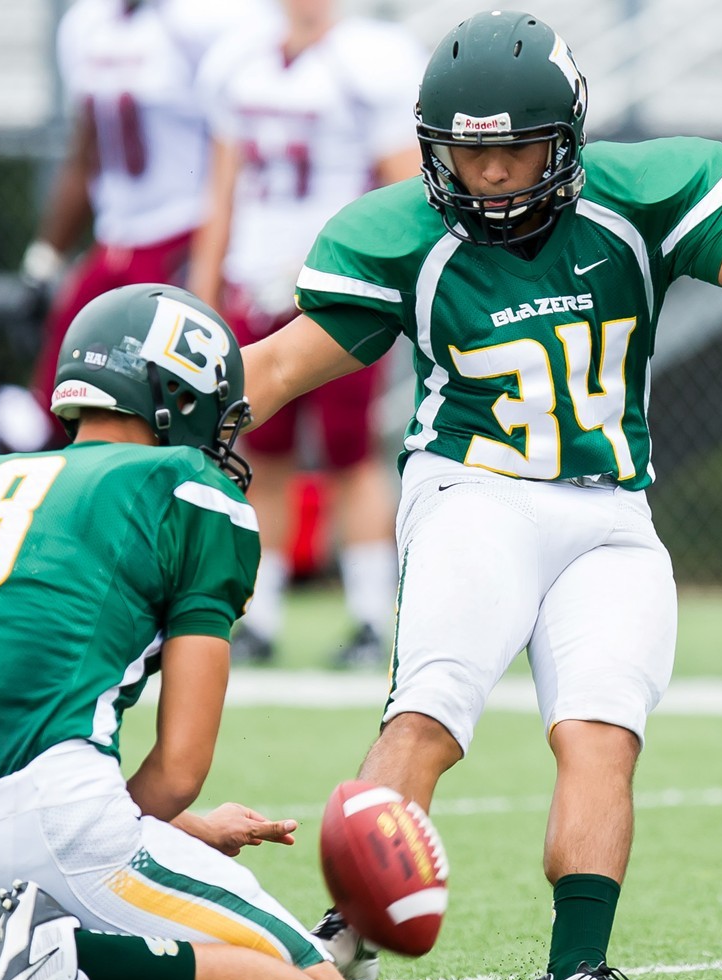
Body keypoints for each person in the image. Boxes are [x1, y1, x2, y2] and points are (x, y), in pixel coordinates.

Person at [233, 10, 722, 980]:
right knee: (428, 716)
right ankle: (343, 935)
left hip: (611, 510)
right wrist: (156, 440)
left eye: (513, 149)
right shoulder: (404, 238)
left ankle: (574, 976)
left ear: (567, 139)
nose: (488, 176)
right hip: (472, 490)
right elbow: (277, 366)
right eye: (467, 152)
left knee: (603, 731)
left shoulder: (637, 202)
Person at [0, 284, 360, 980]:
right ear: (170, 395)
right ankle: (67, 951)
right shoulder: (188, 493)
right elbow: (181, 766)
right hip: (45, 831)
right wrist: (156, 822)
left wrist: (178, 831)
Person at [189, 0, 424, 668]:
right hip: (252, 281)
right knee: (259, 451)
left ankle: (371, 617)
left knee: (351, 453)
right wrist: (206, 289)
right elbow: (223, 188)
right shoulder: (238, 59)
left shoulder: (369, 61)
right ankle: (260, 616)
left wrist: (364, 266)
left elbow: (402, 184)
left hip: (337, 290)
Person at [21, 0, 276, 437]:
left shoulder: (211, 20)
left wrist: (217, 263)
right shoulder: (86, 22)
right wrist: (44, 258)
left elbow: (240, 149)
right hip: (113, 243)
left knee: (176, 415)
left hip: (182, 237)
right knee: (53, 403)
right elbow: (88, 148)